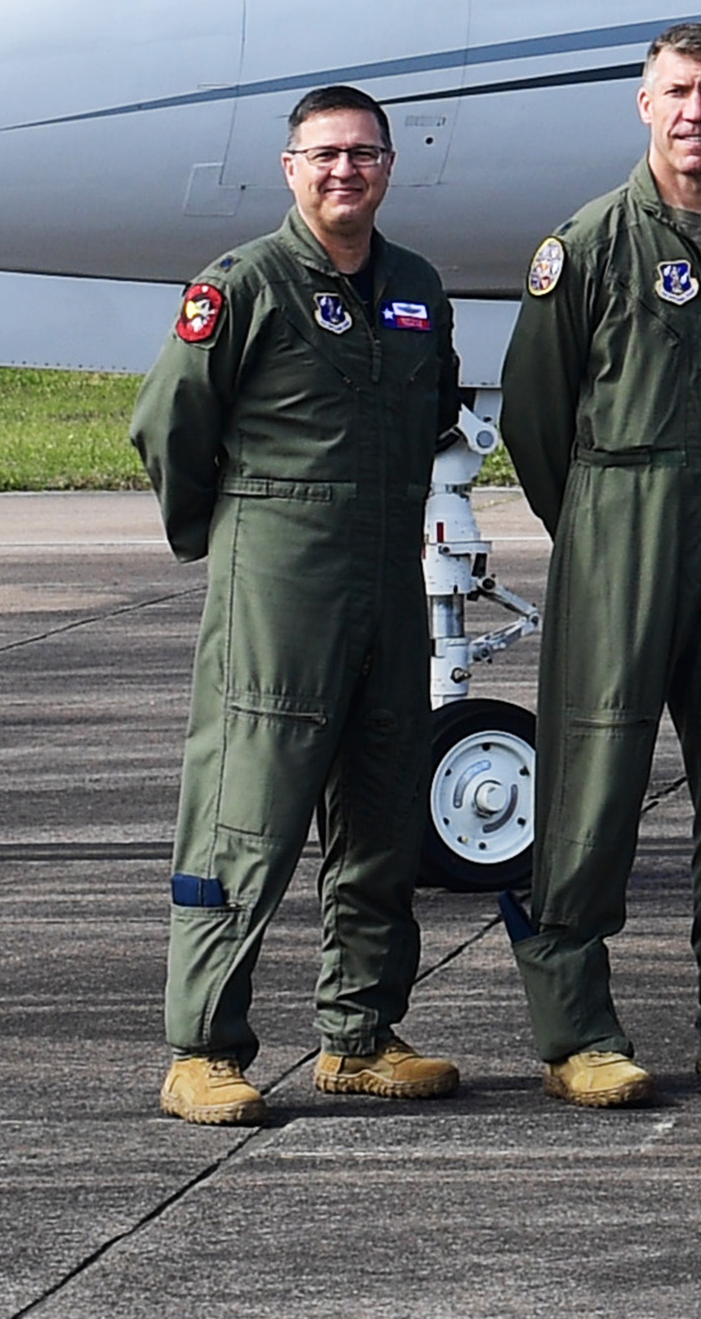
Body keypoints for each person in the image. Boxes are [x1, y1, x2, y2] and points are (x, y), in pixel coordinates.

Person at [499, 21, 701, 1107]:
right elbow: (538, 421)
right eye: (676, 91)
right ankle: (576, 1031)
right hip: (616, 531)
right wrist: (599, 525)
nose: (695, 112)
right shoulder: (585, 245)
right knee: (594, 788)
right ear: (646, 104)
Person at [134, 85, 462, 1125]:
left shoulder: (415, 287)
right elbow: (171, 424)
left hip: (385, 580)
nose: (344, 172)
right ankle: (203, 1048)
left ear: (389, 167)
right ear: (290, 168)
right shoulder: (244, 286)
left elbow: (433, 411)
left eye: (364, 155)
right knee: (249, 814)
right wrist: (221, 535)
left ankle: (359, 1035)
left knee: (380, 816)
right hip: (279, 577)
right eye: (325, 155)